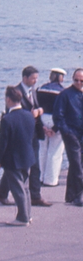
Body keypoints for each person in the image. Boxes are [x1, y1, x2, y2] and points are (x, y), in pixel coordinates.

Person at [0, 66, 50, 207]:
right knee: (15, 167)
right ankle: (3, 194)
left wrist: (39, 113)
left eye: (36, 78)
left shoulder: (33, 91)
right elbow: (11, 114)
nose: (35, 81)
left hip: (33, 133)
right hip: (20, 135)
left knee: (34, 164)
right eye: (33, 78)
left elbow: (36, 107)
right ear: (25, 78)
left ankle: (34, 195)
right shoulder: (15, 92)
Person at [0, 85, 37, 226]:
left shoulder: (7, 119)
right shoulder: (29, 115)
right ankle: (28, 215)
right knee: (25, 188)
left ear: (8, 100)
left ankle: (23, 218)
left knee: (18, 189)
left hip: (13, 159)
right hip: (27, 156)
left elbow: (2, 143)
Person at [53, 68, 83, 206]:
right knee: (76, 164)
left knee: (77, 163)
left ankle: (70, 195)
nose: (79, 83)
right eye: (76, 80)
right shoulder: (65, 95)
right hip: (71, 133)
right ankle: (79, 194)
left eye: (81, 81)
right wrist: (66, 132)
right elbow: (58, 116)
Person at [40, 68, 67, 187]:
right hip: (55, 119)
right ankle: (51, 180)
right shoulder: (63, 92)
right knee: (55, 151)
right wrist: (55, 129)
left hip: (42, 118)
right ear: (60, 77)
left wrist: (41, 126)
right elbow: (63, 111)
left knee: (42, 150)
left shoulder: (41, 89)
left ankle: (40, 177)